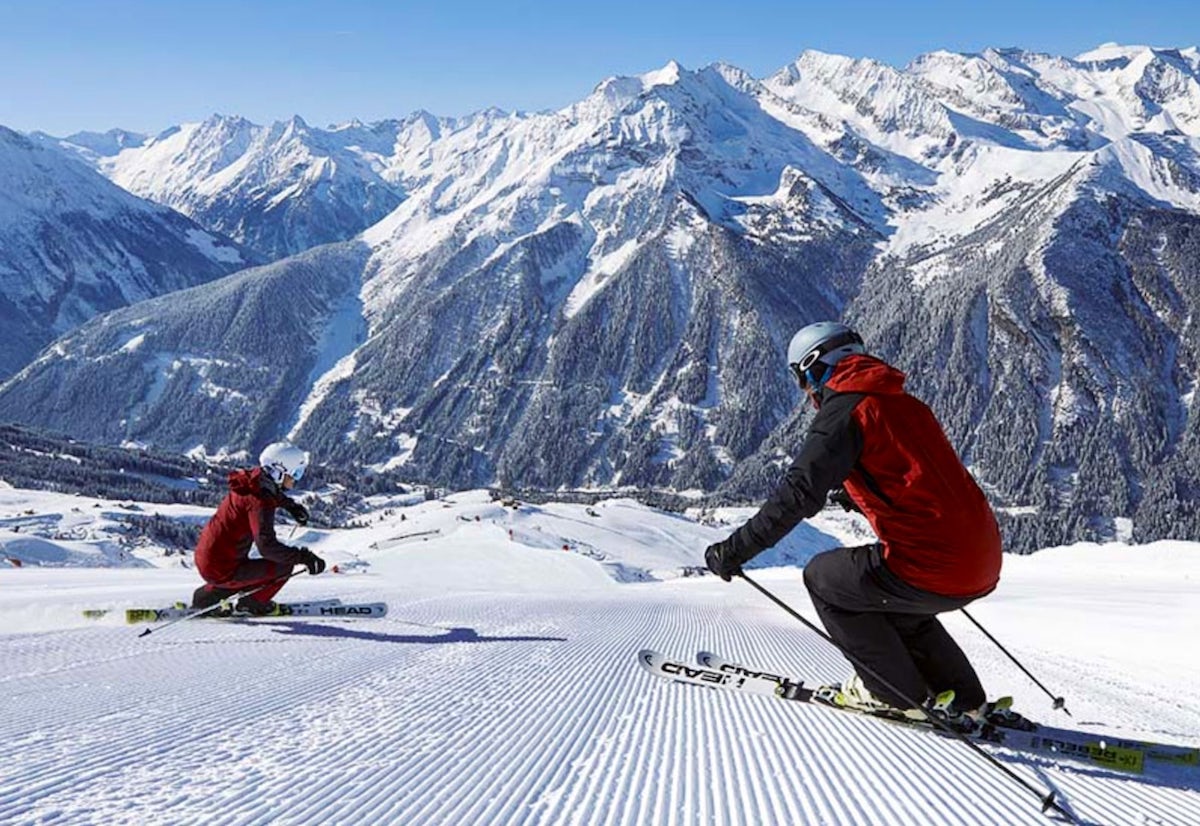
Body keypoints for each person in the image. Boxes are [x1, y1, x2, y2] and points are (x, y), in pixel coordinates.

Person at [705, 321, 1001, 719]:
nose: (806, 392)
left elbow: (797, 495)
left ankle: (892, 695)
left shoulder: (844, 411)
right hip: (981, 559)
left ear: (811, 368)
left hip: (934, 566)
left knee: (824, 579)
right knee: (893, 604)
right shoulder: (904, 403)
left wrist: (734, 550)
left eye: (800, 380)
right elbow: (920, 481)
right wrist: (861, 494)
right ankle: (966, 700)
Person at [191, 440, 327, 615]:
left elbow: (269, 491)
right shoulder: (259, 502)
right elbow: (267, 547)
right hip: (221, 569)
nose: (296, 479)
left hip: (210, 560)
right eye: (295, 473)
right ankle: (252, 604)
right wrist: (303, 557)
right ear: (279, 472)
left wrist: (290, 506)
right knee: (283, 565)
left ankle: (207, 597)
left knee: (254, 567)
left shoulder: (251, 480)